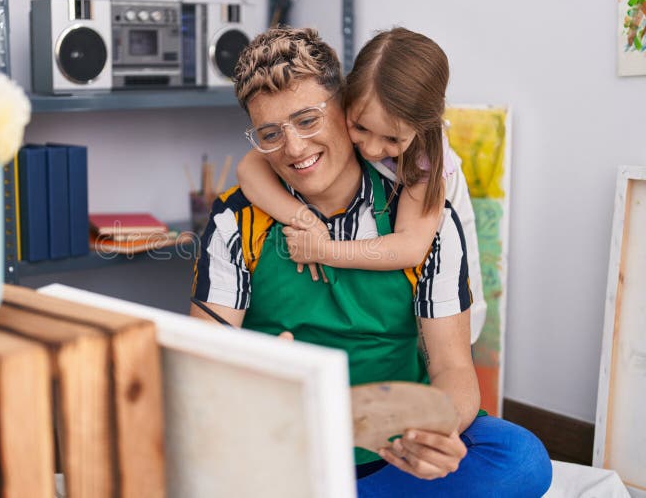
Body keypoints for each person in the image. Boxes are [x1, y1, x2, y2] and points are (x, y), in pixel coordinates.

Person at [190, 27, 551, 496]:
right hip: (283, 446)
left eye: (307, 120)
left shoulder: (422, 214)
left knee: (519, 461)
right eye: (270, 134)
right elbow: (200, 362)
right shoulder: (237, 219)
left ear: (345, 108)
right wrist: (250, 376)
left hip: (391, 451)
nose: (294, 148)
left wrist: (435, 432)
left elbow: (453, 368)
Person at [235, 27, 487, 342]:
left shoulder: (426, 157)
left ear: (420, 131)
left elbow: (409, 247)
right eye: (360, 128)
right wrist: (304, 218)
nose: (370, 148)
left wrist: (324, 250)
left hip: (446, 297)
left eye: (392, 140)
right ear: (346, 99)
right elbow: (248, 169)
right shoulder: (357, 117)